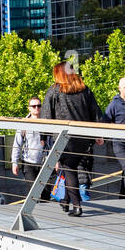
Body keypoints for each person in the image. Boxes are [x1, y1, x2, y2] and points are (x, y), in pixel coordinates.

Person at [40, 62, 104, 217]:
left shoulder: (55, 91)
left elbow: (46, 117)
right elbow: (96, 112)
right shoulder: (84, 90)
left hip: (65, 139)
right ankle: (65, 200)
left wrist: (43, 137)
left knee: (69, 169)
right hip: (84, 138)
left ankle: (77, 206)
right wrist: (99, 133)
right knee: (71, 167)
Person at [12, 97, 51, 198]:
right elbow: (17, 144)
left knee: (46, 193)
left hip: (44, 163)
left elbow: (51, 143)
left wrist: (56, 161)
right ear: (29, 108)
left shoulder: (47, 122)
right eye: (33, 106)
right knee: (33, 193)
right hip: (28, 163)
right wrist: (14, 163)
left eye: (39, 106)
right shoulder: (24, 124)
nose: (36, 108)